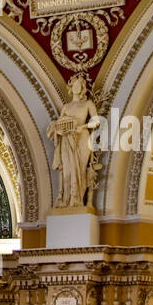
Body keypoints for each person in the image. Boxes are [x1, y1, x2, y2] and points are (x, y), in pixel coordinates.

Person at [46, 75, 103, 209]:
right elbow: (60, 124)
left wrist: (82, 127)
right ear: (71, 88)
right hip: (67, 140)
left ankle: (77, 201)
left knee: (80, 170)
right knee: (67, 171)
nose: (76, 87)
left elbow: (97, 121)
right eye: (74, 85)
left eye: (79, 85)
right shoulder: (66, 107)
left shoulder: (88, 104)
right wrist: (58, 131)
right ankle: (66, 200)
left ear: (83, 88)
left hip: (82, 138)